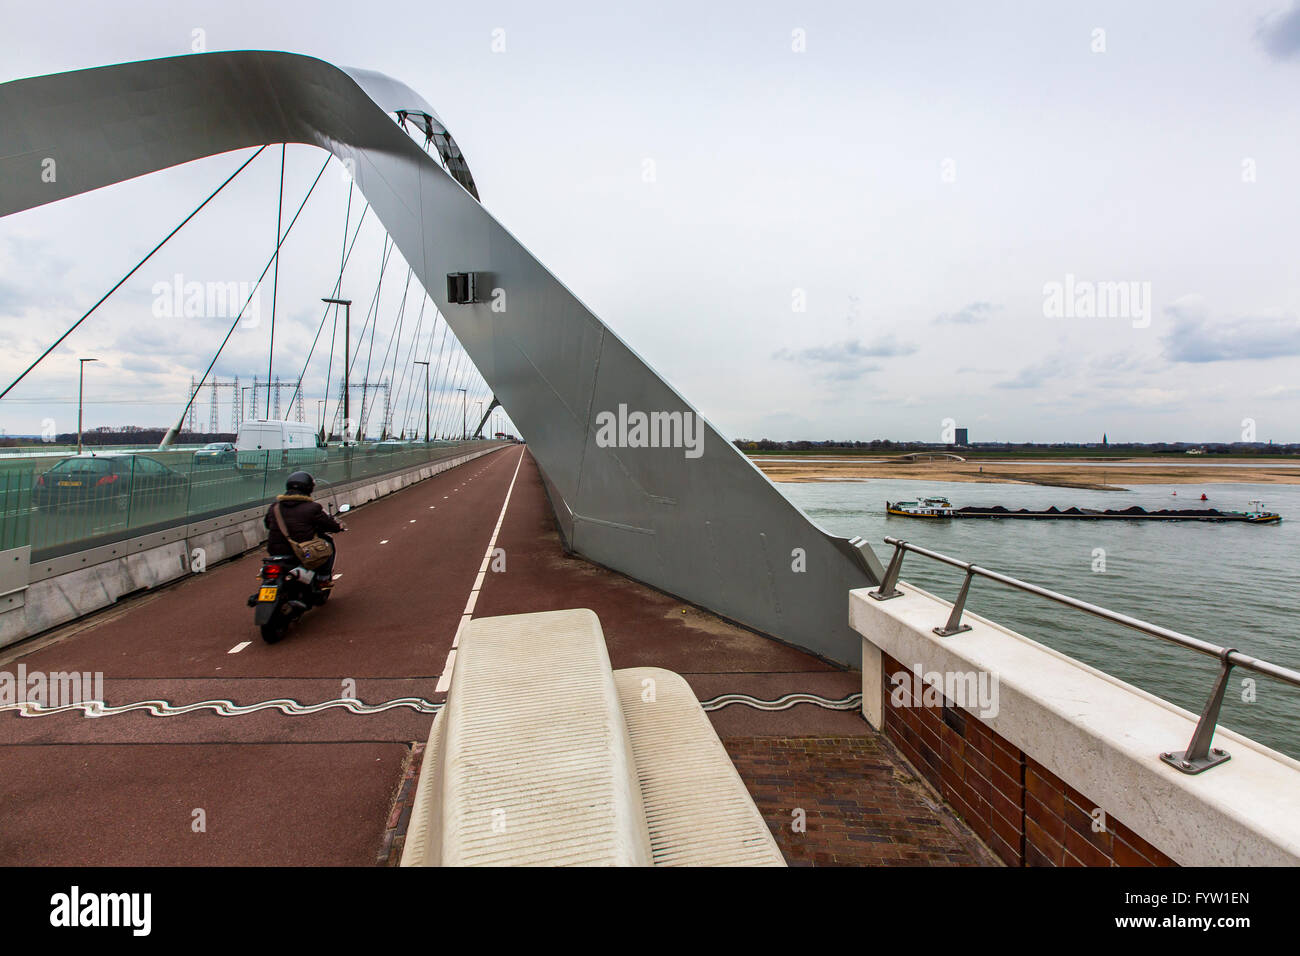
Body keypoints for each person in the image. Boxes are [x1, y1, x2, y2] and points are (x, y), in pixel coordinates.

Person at [264, 471, 344, 589]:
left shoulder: (274, 507)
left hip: (275, 551)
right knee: (328, 545)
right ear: (309, 488)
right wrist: (338, 527)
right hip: (302, 551)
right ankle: (323, 579)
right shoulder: (312, 507)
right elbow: (328, 525)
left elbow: (267, 524)